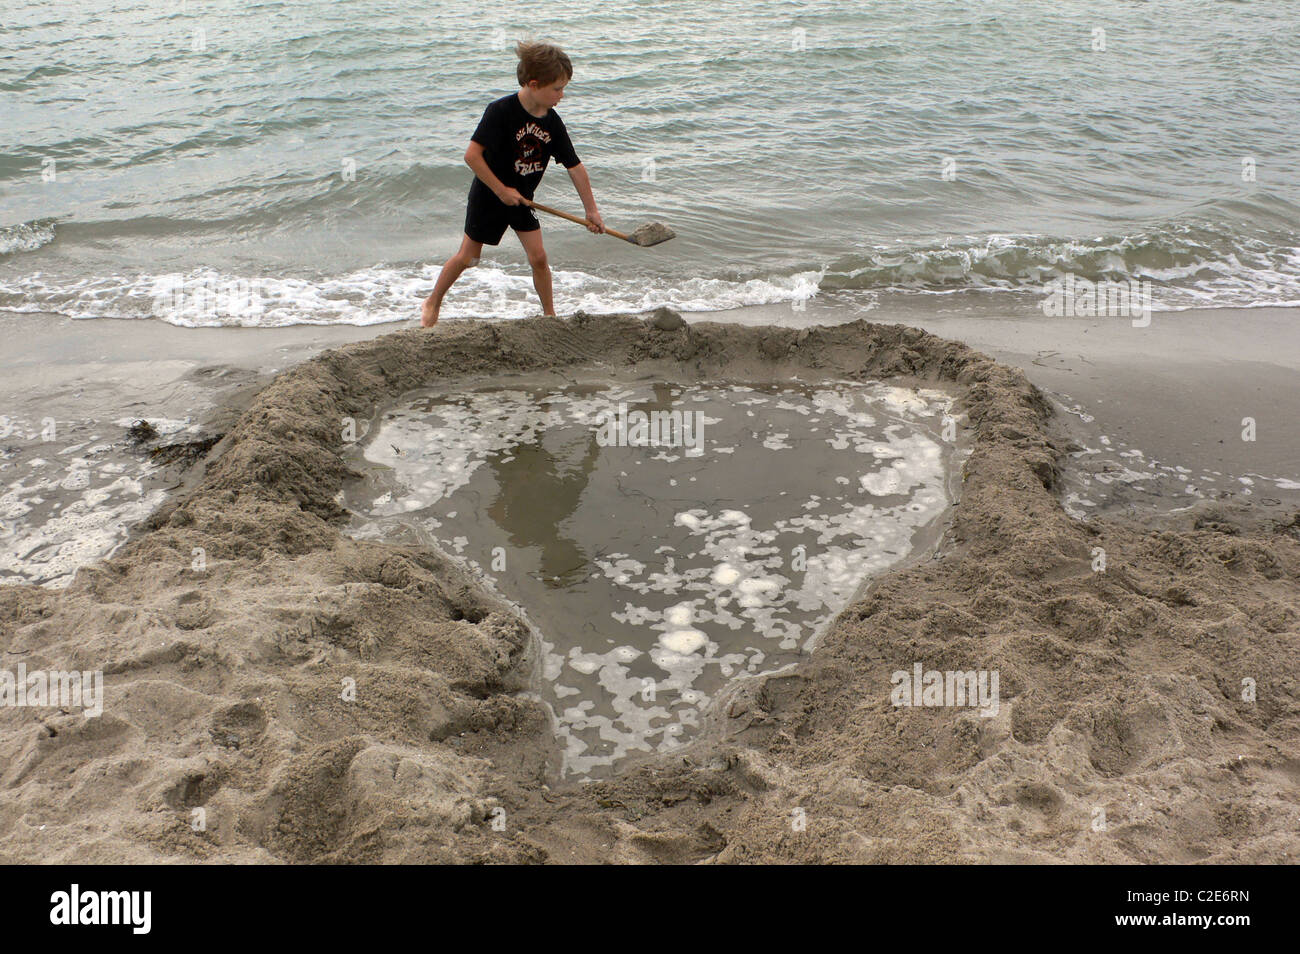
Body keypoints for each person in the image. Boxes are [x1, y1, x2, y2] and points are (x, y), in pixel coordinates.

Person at [421, 41, 604, 327]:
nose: (562, 95)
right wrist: (500, 190)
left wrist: (591, 211)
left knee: (539, 257)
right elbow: (472, 156)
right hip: (489, 194)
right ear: (534, 84)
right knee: (469, 257)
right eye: (557, 88)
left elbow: (575, 166)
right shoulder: (500, 111)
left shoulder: (552, 123)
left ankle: (549, 316)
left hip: (523, 199)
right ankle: (433, 301)